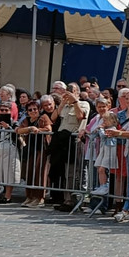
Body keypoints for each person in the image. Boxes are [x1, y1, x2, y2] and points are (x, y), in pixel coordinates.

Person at [49, 82, 89, 211]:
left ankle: (73, 200)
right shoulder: (64, 105)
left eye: (72, 91)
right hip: (61, 140)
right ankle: (65, 199)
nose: (70, 93)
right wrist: (62, 103)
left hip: (74, 140)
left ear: (77, 92)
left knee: (73, 171)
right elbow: (53, 118)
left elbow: (80, 116)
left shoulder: (83, 104)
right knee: (63, 171)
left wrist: (75, 101)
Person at [17, 97, 53, 206]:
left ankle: (39, 198)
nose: (33, 111)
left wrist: (38, 130)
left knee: (40, 173)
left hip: (42, 148)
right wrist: (30, 129)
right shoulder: (27, 120)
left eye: (35, 109)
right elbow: (18, 130)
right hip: (30, 148)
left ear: (39, 109)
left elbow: (48, 129)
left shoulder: (43, 117)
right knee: (29, 172)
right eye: (30, 110)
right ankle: (29, 196)